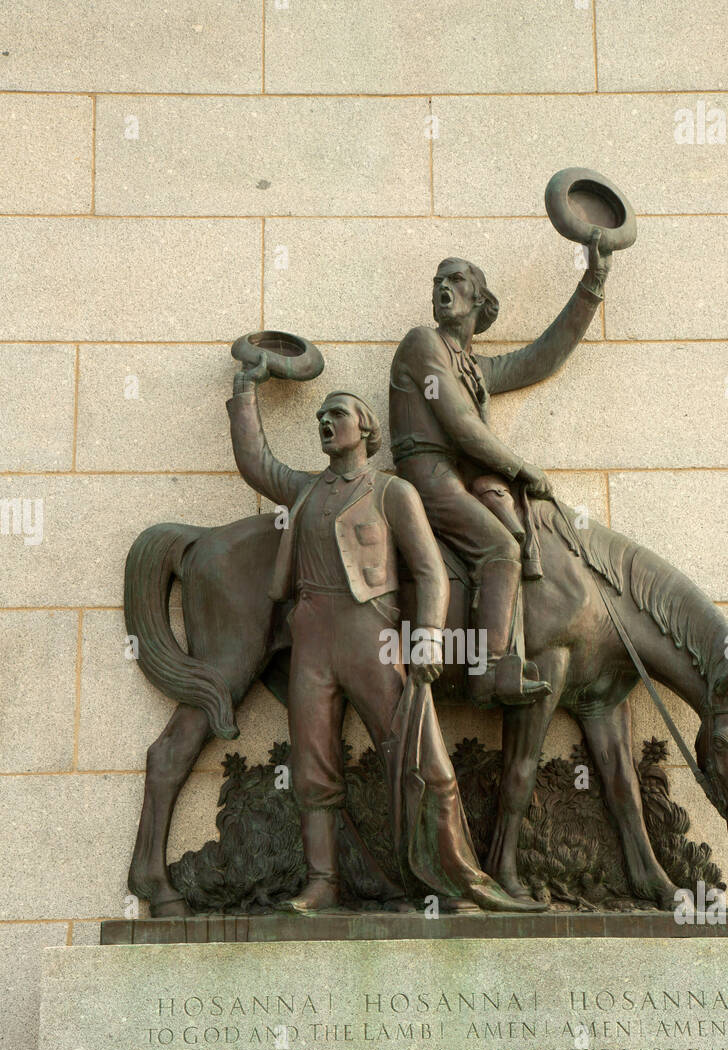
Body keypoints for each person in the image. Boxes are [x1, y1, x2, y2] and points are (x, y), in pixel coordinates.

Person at [226, 363, 530, 913]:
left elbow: (431, 571)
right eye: (319, 417)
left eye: (336, 414)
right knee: (312, 763)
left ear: (365, 428)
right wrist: (245, 388)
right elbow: (254, 462)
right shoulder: (306, 490)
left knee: (420, 757)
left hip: (375, 638)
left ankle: (451, 880)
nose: (325, 423)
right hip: (313, 641)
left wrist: (430, 639)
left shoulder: (393, 492)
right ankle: (323, 882)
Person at [389, 232, 611, 707]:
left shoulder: (471, 366)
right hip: (424, 474)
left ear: (478, 301)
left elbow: (541, 358)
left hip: (454, 477)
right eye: (438, 281)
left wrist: (593, 281)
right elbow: (462, 425)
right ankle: (487, 671)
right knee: (499, 549)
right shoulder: (423, 344)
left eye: (455, 280)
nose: (442, 288)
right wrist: (523, 467)